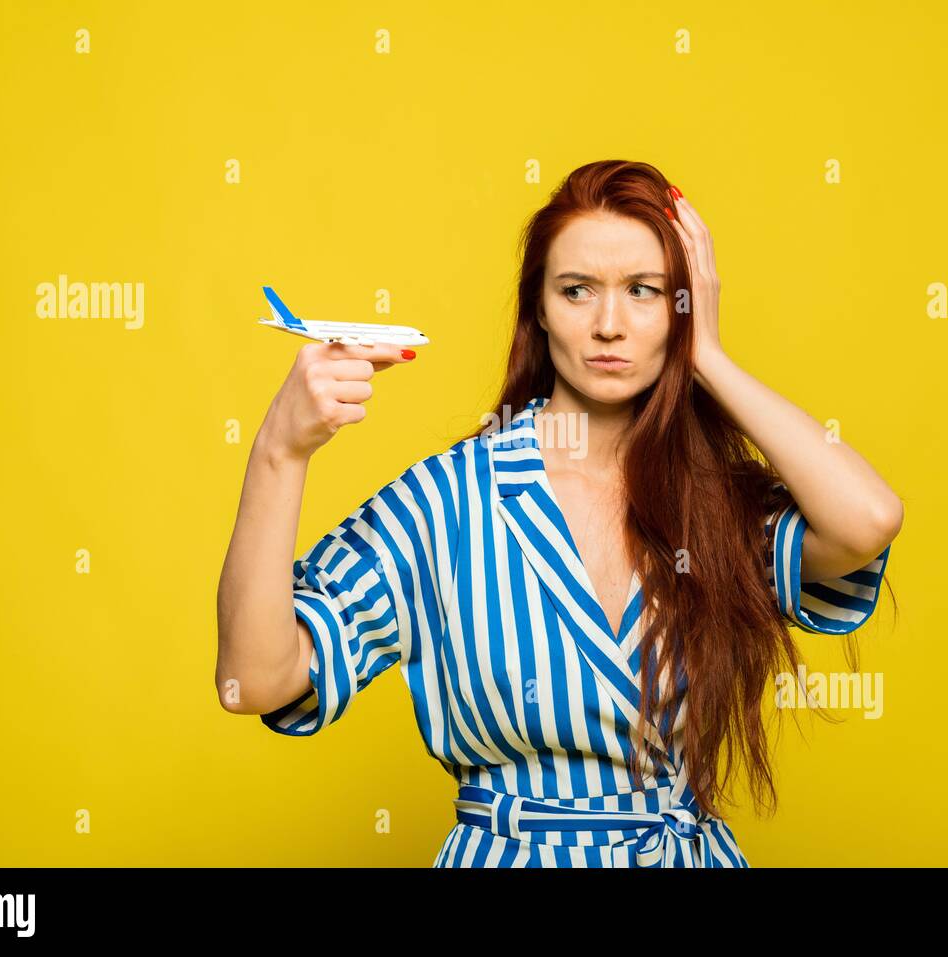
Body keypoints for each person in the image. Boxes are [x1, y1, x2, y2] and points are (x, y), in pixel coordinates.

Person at [215, 160, 903, 867]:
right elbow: (257, 678)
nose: (609, 325)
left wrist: (712, 359)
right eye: (577, 291)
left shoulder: (713, 503)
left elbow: (867, 520)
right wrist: (280, 450)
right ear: (539, 308)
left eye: (645, 291)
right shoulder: (452, 501)